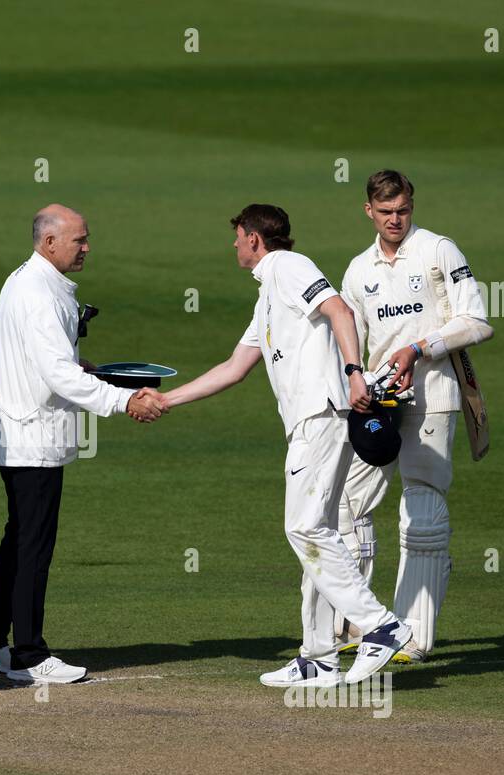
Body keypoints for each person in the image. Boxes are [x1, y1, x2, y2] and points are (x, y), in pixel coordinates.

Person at [161, 204, 410, 687]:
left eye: (237, 237)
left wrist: (355, 373)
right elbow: (233, 368)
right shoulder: (267, 295)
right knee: (317, 533)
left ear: (254, 239)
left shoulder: (289, 267)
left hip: (321, 416)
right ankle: (317, 655)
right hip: (307, 424)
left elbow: (340, 310)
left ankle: (380, 625)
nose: (233, 245)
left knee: (304, 529)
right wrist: (165, 400)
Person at [0, 204, 166, 685]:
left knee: (19, 539)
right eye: (79, 240)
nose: (86, 247)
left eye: (86, 238)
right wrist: (124, 402)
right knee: (32, 544)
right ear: (49, 242)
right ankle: (29, 655)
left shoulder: (29, 281)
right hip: (29, 435)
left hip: (20, 431)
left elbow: (16, 348)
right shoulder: (37, 292)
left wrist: (78, 367)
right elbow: (54, 371)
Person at [330, 170, 493, 664]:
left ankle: (413, 637)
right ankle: (358, 626)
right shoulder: (359, 269)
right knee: (346, 508)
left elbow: (478, 322)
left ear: (411, 206)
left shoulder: (439, 250)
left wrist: (419, 348)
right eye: (385, 212)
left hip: (435, 394)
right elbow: (348, 339)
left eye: (402, 210)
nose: (395, 219)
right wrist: (354, 381)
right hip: (380, 401)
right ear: (369, 212)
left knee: (421, 513)